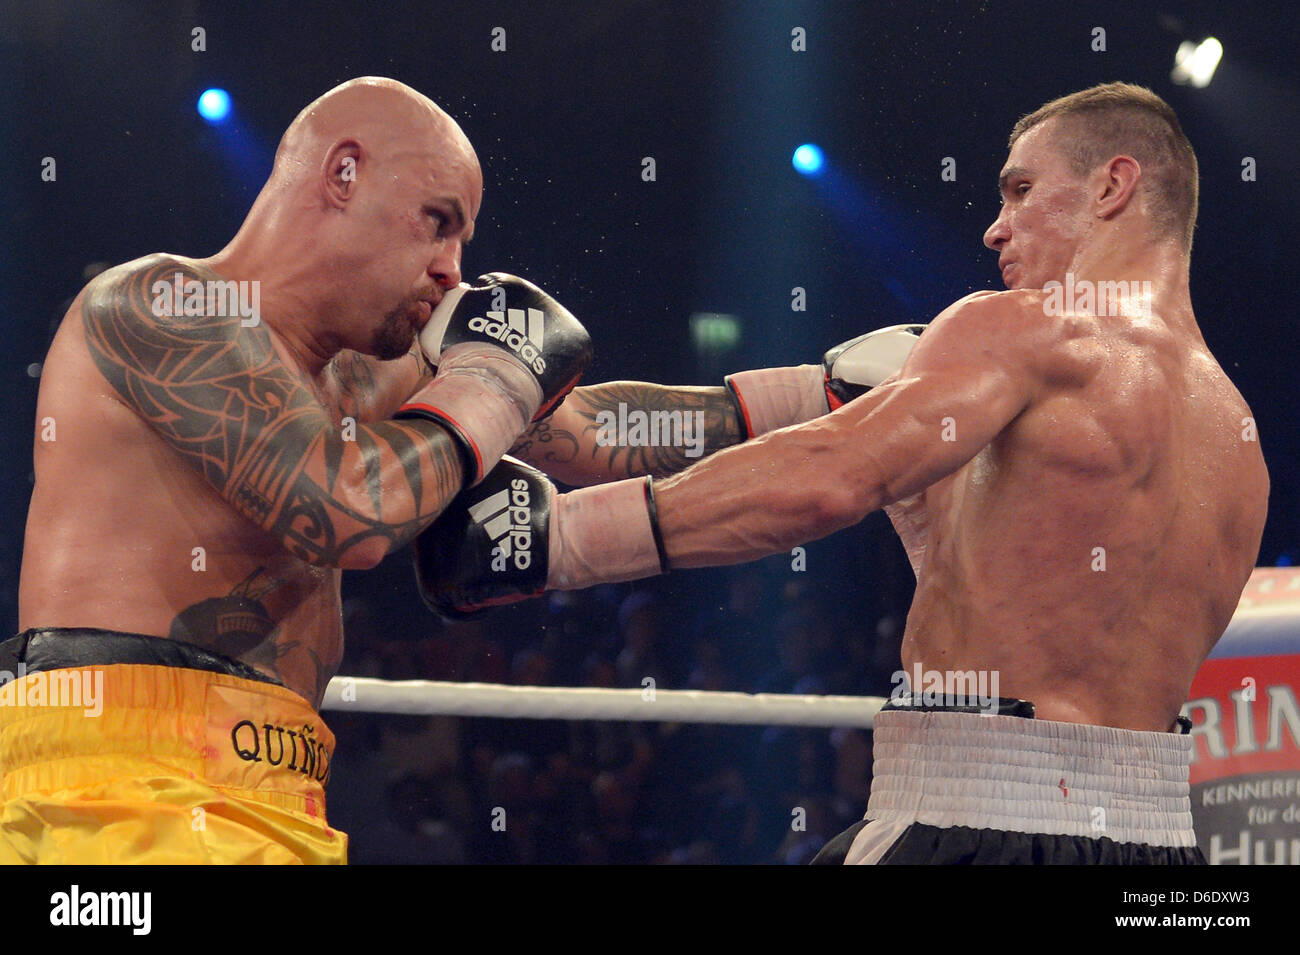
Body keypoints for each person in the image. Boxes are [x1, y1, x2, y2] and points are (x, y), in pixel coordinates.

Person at [3, 75, 865, 864]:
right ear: (343, 174)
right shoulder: (162, 308)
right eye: (439, 220)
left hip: (280, 779)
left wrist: (825, 394)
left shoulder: (370, 375)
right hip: (115, 780)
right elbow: (346, 509)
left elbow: (590, 429)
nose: (455, 267)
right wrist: (489, 379)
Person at [425, 82, 1271, 864]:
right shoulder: (1238, 442)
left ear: (1112, 186)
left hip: (974, 812)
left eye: (1018, 190)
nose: (993, 227)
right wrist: (517, 406)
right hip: (1162, 848)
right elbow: (707, 424)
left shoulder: (1023, 333)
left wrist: (558, 539)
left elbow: (830, 475)